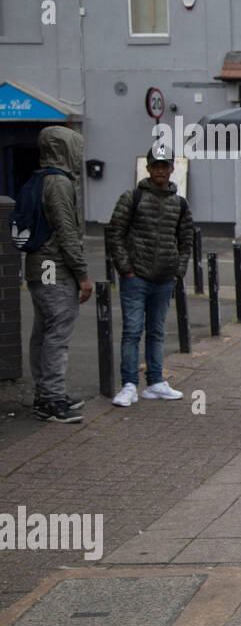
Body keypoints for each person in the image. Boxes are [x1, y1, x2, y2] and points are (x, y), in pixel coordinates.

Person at [106, 144, 193, 406]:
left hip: (165, 278)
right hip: (136, 277)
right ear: (148, 168)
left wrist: (178, 271)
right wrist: (126, 269)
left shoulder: (180, 203)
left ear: (172, 168)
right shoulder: (131, 198)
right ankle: (129, 385)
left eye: (165, 166)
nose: (160, 170)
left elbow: (186, 239)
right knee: (132, 331)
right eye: (156, 165)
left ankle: (155, 382)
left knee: (157, 332)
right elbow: (115, 234)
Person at [24, 126, 91, 424]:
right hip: (56, 268)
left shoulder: (39, 179)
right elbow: (67, 233)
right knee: (57, 333)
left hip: (39, 267)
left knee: (43, 331)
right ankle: (51, 399)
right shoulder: (60, 184)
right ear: (66, 150)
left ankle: (46, 393)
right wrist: (83, 275)